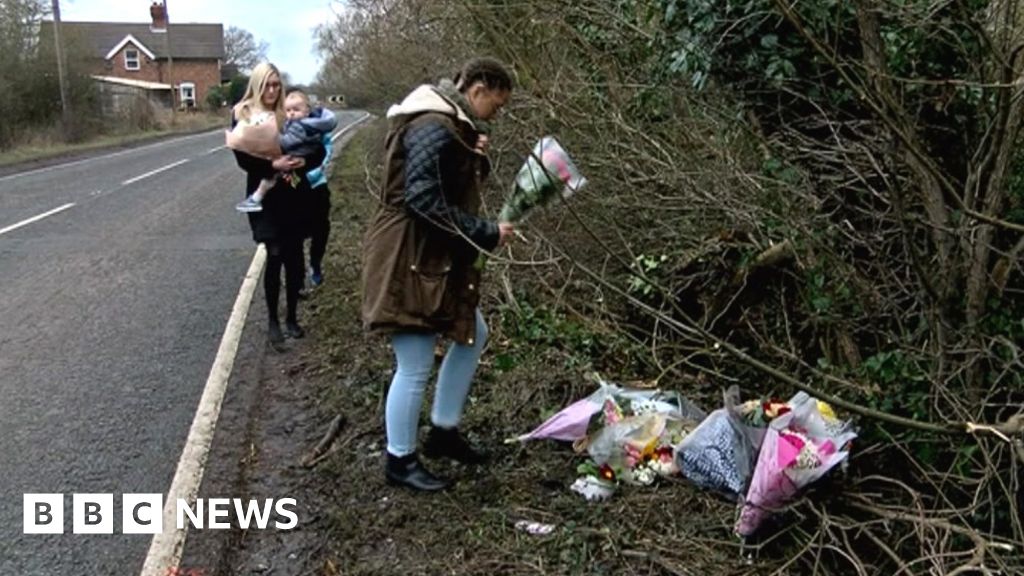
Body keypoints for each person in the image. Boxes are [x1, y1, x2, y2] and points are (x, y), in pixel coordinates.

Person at [361, 57, 515, 491]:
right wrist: (486, 232)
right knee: (413, 362)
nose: (496, 115)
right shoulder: (433, 123)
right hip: (407, 255)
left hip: (430, 255)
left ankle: (443, 431)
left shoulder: (450, 125)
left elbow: (444, 185)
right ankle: (400, 460)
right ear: (480, 88)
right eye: (496, 105)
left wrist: (473, 159)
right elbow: (423, 200)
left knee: (472, 333)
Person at [231, 63, 326, 347]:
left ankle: (292, 318)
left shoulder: (290, 112)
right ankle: (273, 320)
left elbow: (318, 148)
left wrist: (302, 161)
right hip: (266, 196)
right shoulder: (243, 113)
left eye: (276, 85)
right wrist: (272, 163)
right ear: (257, 85)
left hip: (294, 193)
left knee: (294, 257)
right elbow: (242, 158)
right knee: (274, 254)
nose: (272, 90)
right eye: (267, 85)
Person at [231, 89, 337, 213]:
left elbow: (287, 142)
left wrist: (270, 138)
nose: (291, 113)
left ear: (307, 111)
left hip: (295, 155)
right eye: (288, 110)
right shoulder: (311, 124)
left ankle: (255, 199)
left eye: (296, 110)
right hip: (300, 158)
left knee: (269, 179)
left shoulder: (300, 126)